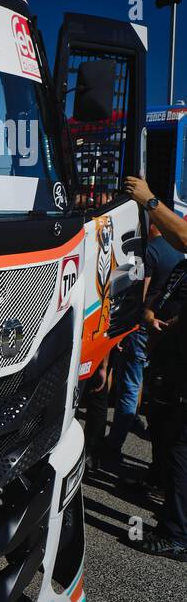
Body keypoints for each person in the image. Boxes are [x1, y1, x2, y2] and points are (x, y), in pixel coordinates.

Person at [121, 176, 187, 562]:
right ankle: (167, 508)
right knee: (168, 442)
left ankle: (176, 533)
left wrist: (149, 201)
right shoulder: (180, 266)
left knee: (179, 448)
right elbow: (161, 298)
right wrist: (151, 314)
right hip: (168, 368)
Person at [102, 220, 185, 476]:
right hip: (165, 334)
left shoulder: (148, 250)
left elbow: (140, 290)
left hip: (143, 328)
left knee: (129, 385)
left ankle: (113, 445)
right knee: (141, 385)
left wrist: (126, 326)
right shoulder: (177, 253)